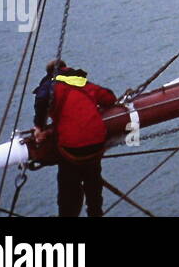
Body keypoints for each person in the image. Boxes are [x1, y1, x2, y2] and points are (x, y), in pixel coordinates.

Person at [32, 59, 117, 217]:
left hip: (72, 149)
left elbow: (42, 98)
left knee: (68, 185)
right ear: (67, 69)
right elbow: (110, 98)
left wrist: (39, 127)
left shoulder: (51, 85)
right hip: (96, 144)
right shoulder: (83, 83)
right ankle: (95, 212)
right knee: (93, 179)